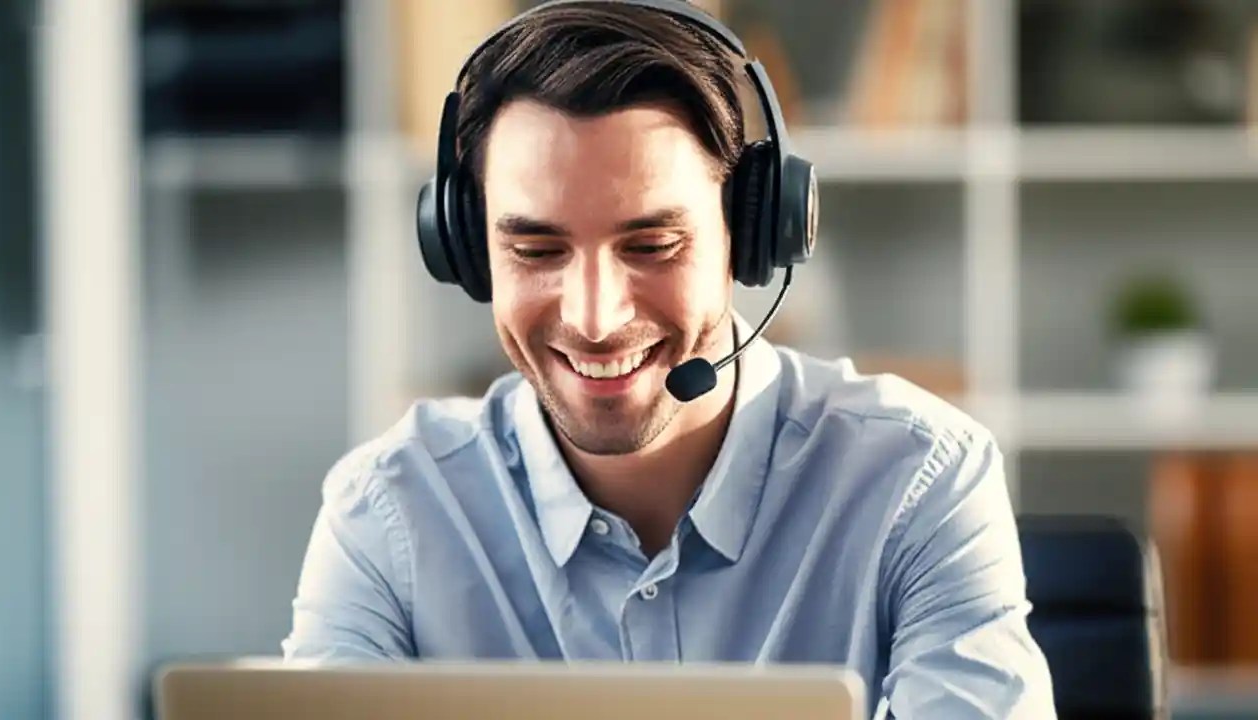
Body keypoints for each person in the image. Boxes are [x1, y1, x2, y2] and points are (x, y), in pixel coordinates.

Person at [282, 1, 1056, 717]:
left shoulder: (918, 482)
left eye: (652, 245)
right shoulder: (389, 513)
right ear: (466, 251)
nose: (594, 317)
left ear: (750, 238)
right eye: (535, 248)